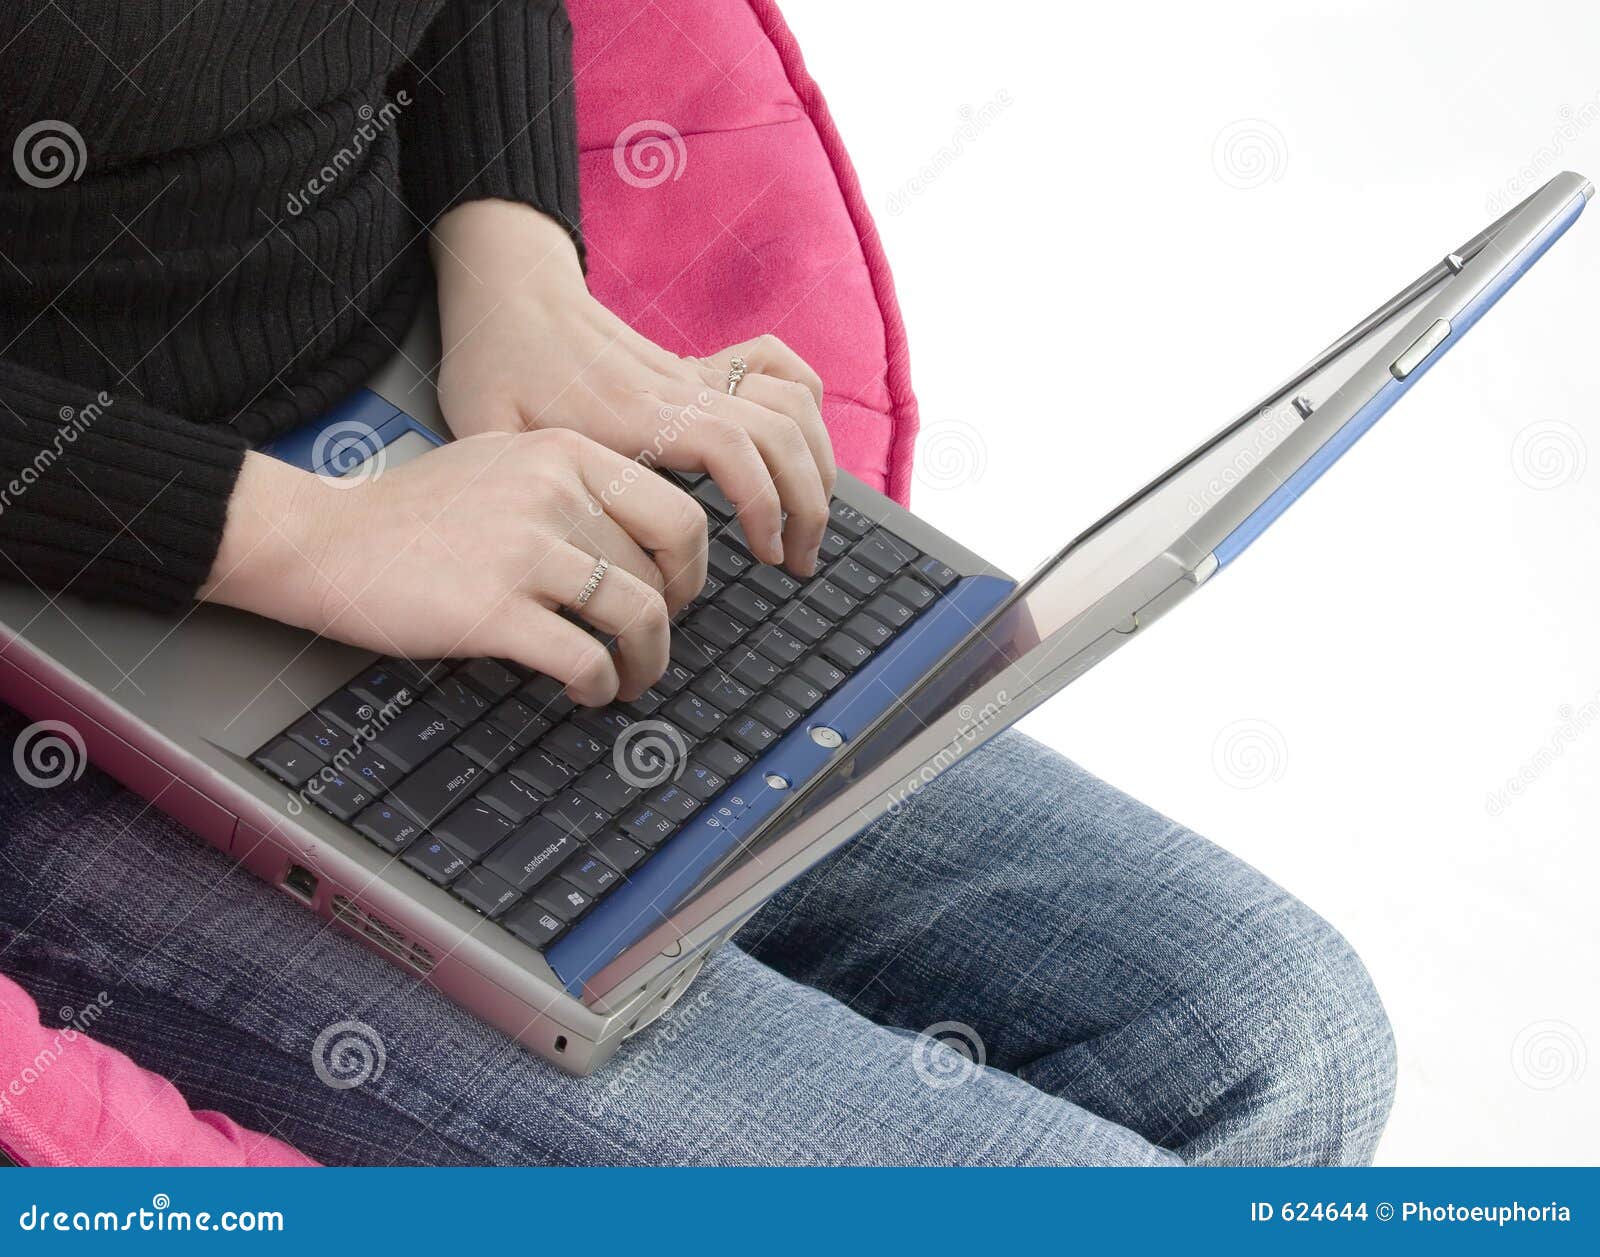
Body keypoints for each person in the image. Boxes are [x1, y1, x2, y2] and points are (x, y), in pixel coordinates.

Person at [0, 0, 1395, 1166]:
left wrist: (518, 274)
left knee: (1286, 1039)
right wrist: (302, 536)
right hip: (65, 667)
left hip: (434, 434)